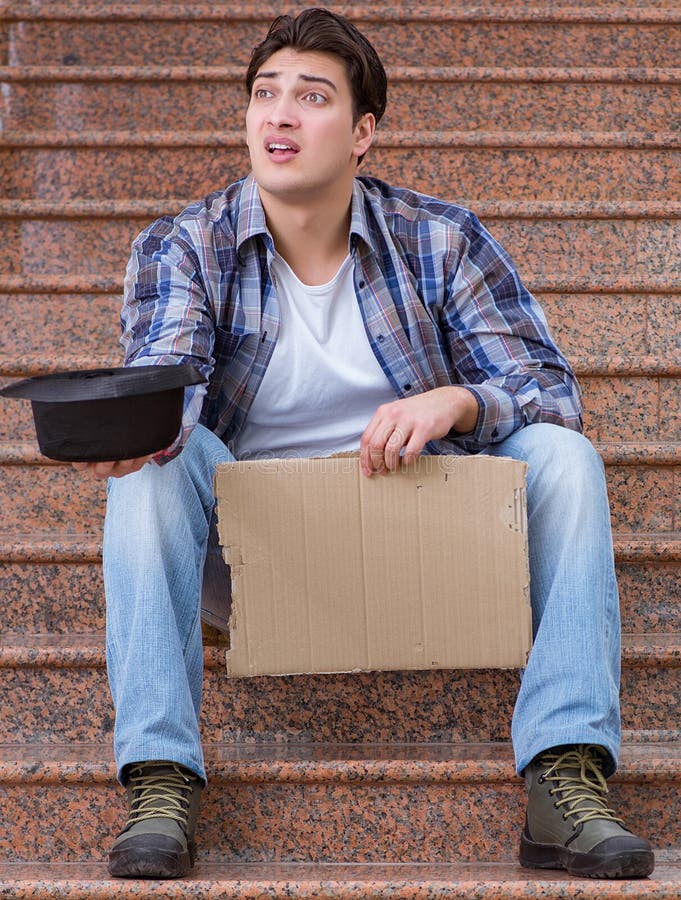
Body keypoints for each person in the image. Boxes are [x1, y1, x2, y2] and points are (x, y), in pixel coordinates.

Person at [74, 7, 655, 881]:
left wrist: (454, 401)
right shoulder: (183, 245)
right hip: (256, 561)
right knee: (153, 471)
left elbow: (550, 393)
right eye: (264, 94)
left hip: (422, 539)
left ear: (362, 133)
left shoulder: (440, 238)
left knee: (563, 457)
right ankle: (160, 778)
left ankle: (562, 777)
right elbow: (170, 372)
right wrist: (138, 430)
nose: (279, 115)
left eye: (311, 97)